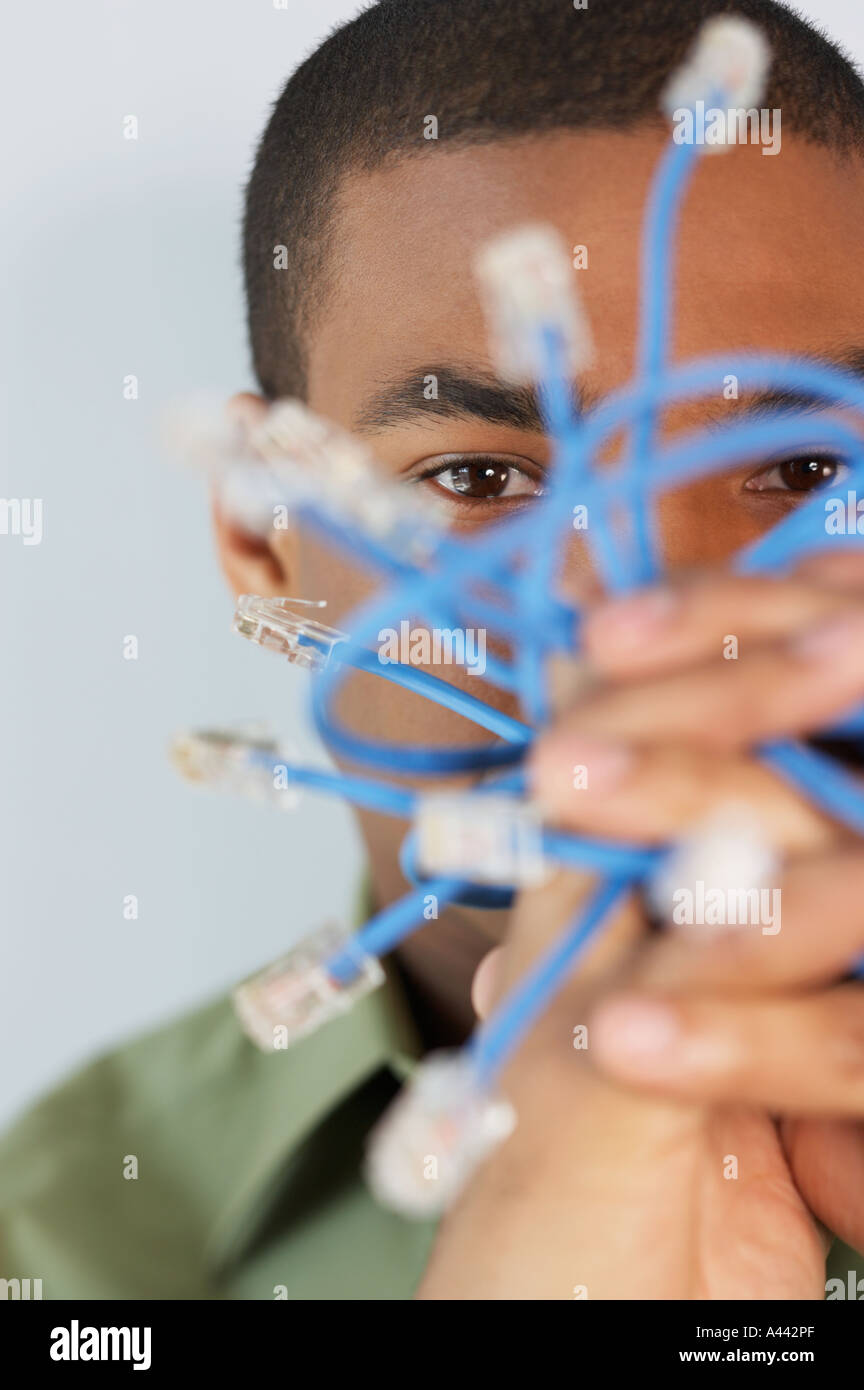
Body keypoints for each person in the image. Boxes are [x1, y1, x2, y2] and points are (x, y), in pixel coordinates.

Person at [3, 0, 864, 1299]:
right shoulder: (72, 1238)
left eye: (800, 467)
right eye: (479, 474)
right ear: (262, 527)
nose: (634, 626)